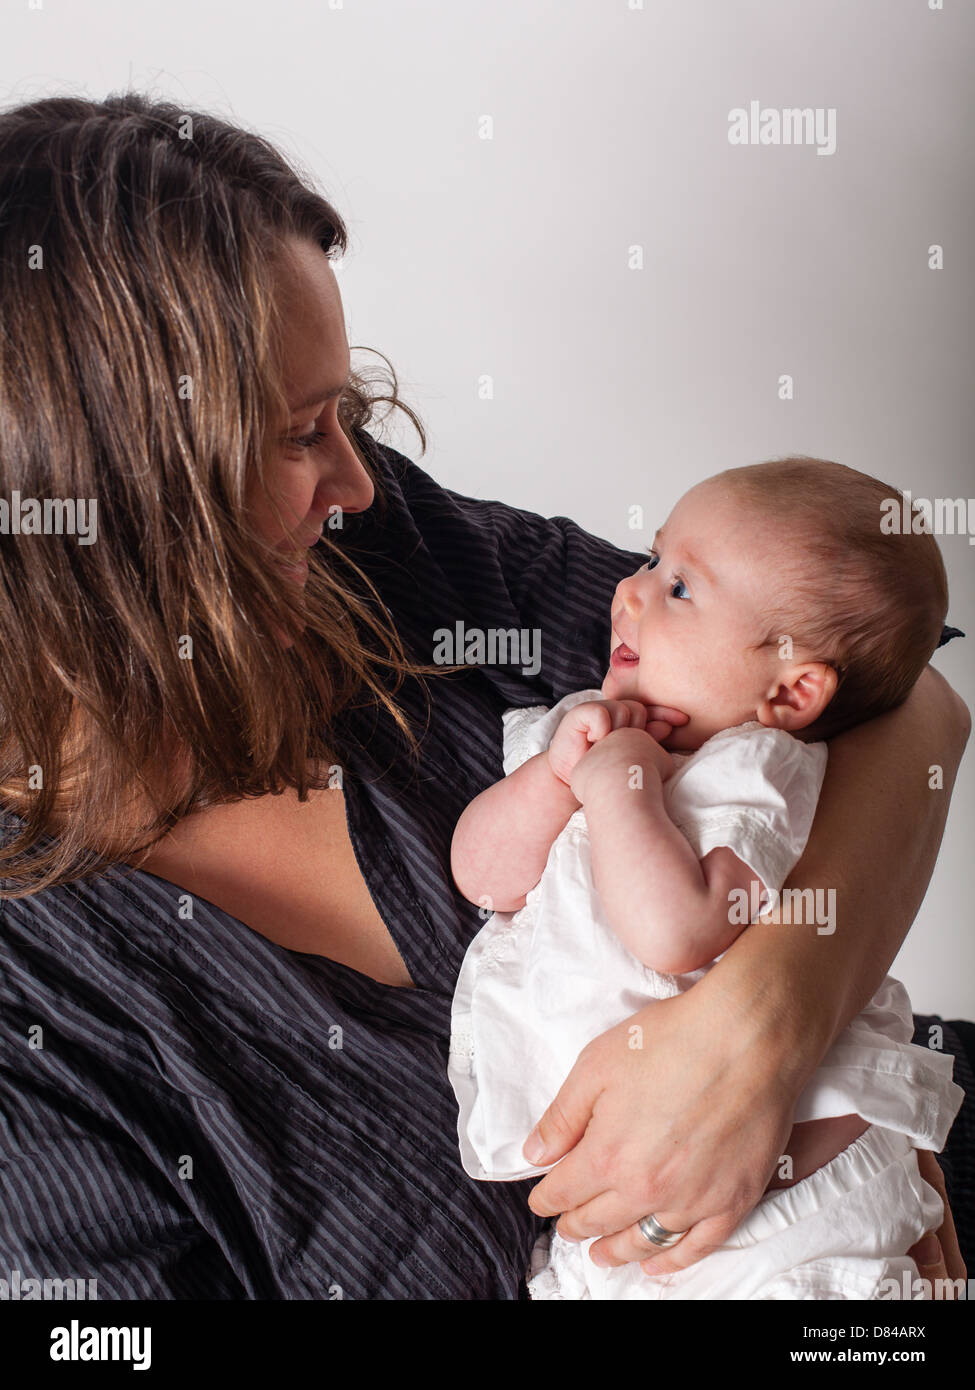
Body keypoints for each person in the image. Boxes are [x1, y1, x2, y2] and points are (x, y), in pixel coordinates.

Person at [0, 92, 968, 1300]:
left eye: (346, 416)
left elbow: (904, 695)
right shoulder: (34, 1013)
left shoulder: (377, 551)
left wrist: (762, 1030)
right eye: (301, 433)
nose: (354, 481)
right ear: (120, 504)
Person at [448, 458, 966, 1298]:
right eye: (653, 560)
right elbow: (481, 874)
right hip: (631, 1219)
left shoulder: (754, 770)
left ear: (791, 692)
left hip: (786, 1216)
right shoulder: (581, 731)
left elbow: (677, 929)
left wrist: (619, 778)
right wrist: (554, 775)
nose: (630, 590)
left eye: (681, 587)